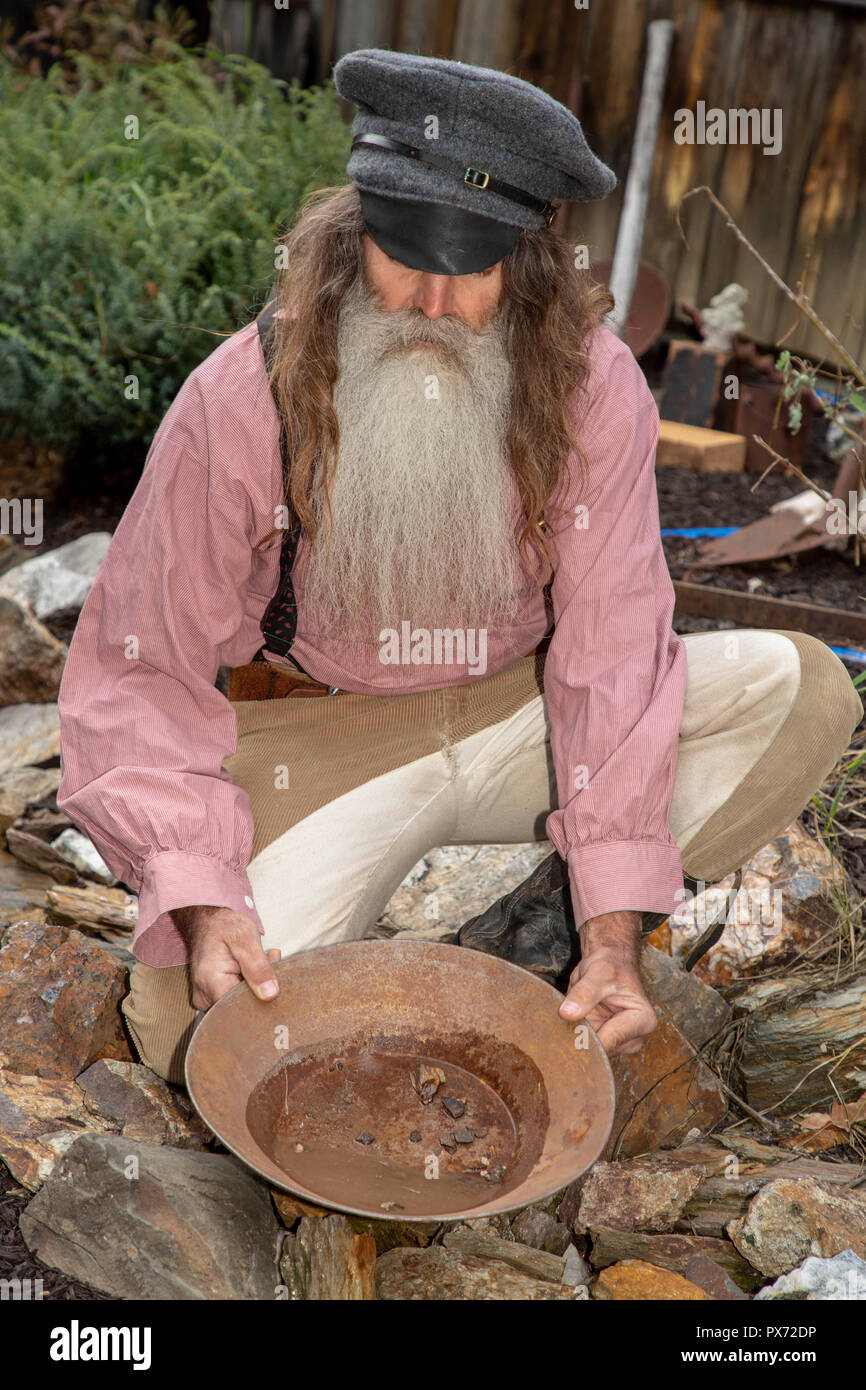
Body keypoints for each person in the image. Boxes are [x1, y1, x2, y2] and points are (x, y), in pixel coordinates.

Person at [57, 49, 862, 1085]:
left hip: (514, 724)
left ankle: (536, 928)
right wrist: (204, 896)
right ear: (350, 247)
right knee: (199, 1031)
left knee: (795, 693)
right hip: (317, 740)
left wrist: (612, 934)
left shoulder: (590, 388)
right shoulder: (241, 395)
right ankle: (420, 929)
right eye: (404, 260)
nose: (430, 306)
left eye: (469, 269)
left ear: (523, 272)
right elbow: (137, 672)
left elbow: (612, 649)